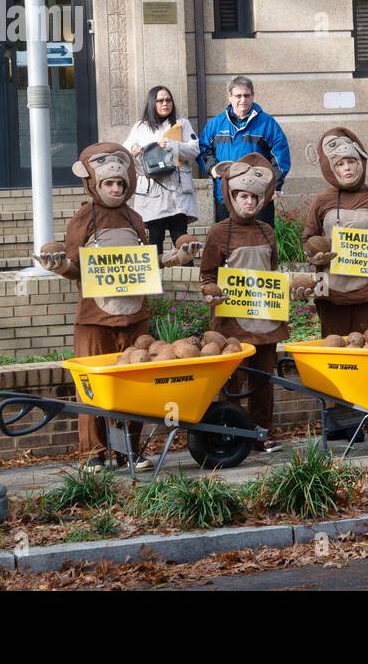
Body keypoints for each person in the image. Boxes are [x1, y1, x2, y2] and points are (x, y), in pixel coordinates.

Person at [34, 143, 201, 472]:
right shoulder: (83, 218)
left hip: (134, 315)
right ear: (93, 182)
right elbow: (75, 266)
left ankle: (131, 451)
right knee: (92, 389)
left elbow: (145, 261)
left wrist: (174, 257)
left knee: (133, 388)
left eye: (119, 183)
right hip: (95, 317)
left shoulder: (136, 217)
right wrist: (59, 265)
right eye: (108, 183)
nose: (114, 188)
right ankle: (93, 453)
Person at [300, 126, 368, 439]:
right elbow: (307, 239)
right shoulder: (323, 199)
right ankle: (335, 419)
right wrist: (316, 254)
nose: (347, 168)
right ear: (331, 168)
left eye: (352, 162)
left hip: (366, 292)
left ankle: (360, 419)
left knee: (364, 354)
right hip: (332, 293)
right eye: (340, 164)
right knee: (336, 356)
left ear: (361, 163)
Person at [199, 153, 287, 453]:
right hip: (232, 322)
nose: (249, 202)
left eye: (255, 197)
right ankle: (232, 434)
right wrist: (210, 289)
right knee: (232, 382)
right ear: (231, 196)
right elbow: (207, 274)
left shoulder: (267, 231)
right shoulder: (218, 232)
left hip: (265, 320)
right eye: (243, 196)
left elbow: (273, 272)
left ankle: (262, 431)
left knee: (263, 379)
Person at [197, 76, 291, 228]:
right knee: (227, 244)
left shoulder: (267, 123)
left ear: (252, 96)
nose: (243, 100)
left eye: (246, 95)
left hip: (258, 196)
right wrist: (213, 168)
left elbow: (281, 156)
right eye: (238, 96)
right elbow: (202, 150)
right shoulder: (216, 124)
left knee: (260, 243)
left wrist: (274, 184)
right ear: (230, 97)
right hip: (226, 195)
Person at [124, 85, 200, 255]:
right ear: (152, 103)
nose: (165, 103)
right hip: (153, 193)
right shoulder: (141, 127)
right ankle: (155, 281)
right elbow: (125, 151)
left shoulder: (182, 124)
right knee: (154, 240)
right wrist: (134, 150)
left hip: (177, 192)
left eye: (168, 100)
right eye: (160, 100)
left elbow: (195, 149)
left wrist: (173, 145)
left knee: (181, 239)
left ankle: (188, 280)